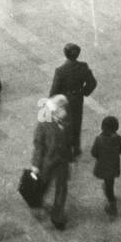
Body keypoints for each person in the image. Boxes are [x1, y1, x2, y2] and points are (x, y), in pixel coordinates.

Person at [30, 95, 72, 230]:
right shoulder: (43, 124)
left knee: (62, 189)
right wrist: (36, 165)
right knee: (44, 184)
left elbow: (69, 140)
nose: (64, 110)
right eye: (61, 107)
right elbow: (39, 146)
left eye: (65, 107)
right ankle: (37, 202)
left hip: (62, 163)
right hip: (47, 162)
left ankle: (57, 216)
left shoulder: (66, 121)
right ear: (54, 110)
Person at [49, 43, 97, 158]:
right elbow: (92, 82)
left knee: (66, 124)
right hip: (78, 98)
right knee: (77, 121)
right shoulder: (83, 66)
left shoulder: (60, 70)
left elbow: (54, 90)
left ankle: (68, 149)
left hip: (64, 101)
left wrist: (52, 103)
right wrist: (84, 92)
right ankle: (76, 147)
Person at [91, 115, 121, 216]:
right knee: (110, 181)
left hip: (103, 167)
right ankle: (109, 191)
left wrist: (100, 157)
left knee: (109, 186)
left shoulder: (99, 139)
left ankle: (112, 205)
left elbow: (93, 152)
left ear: (102, 127)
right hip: (114, 167)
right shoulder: (118, 138)